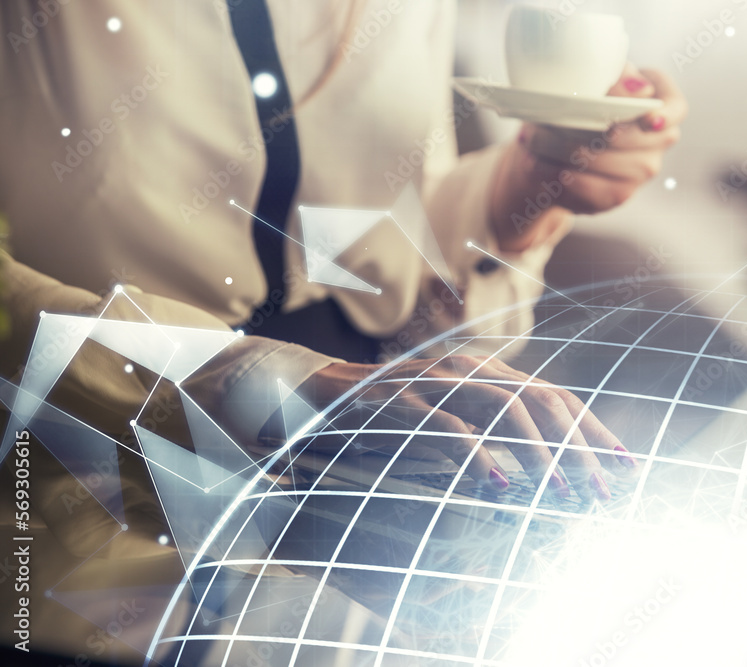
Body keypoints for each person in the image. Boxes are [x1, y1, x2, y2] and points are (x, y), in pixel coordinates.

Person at [0, 0, 687, 497]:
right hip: (84, 453)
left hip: (363, 416)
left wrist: (525, 192)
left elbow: (394, 227)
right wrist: (264, 384)